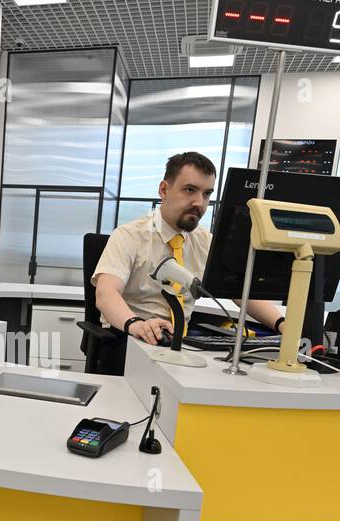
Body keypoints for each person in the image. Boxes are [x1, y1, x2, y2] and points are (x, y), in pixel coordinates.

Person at [91, 151, 284, 375]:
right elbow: (106, 294)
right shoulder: (129, 236)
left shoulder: (206, 242)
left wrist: (282, 324)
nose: (199, 203)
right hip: (128, 337)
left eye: (206, 194)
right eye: (190, 190)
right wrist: (137, 324)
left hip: (178, 340)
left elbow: (240, 292)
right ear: (164, 190)